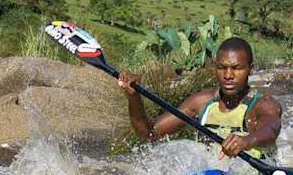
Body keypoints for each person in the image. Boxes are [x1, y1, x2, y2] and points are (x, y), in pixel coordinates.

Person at [118, 36, 281, 161]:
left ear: (250, 70)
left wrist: (247, 141)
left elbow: (271, 130)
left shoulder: (263, 105)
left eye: (237, 68)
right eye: (222, 68)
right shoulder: (201, 102)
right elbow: (149, 133)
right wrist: (133, 97)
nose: (228, 75)